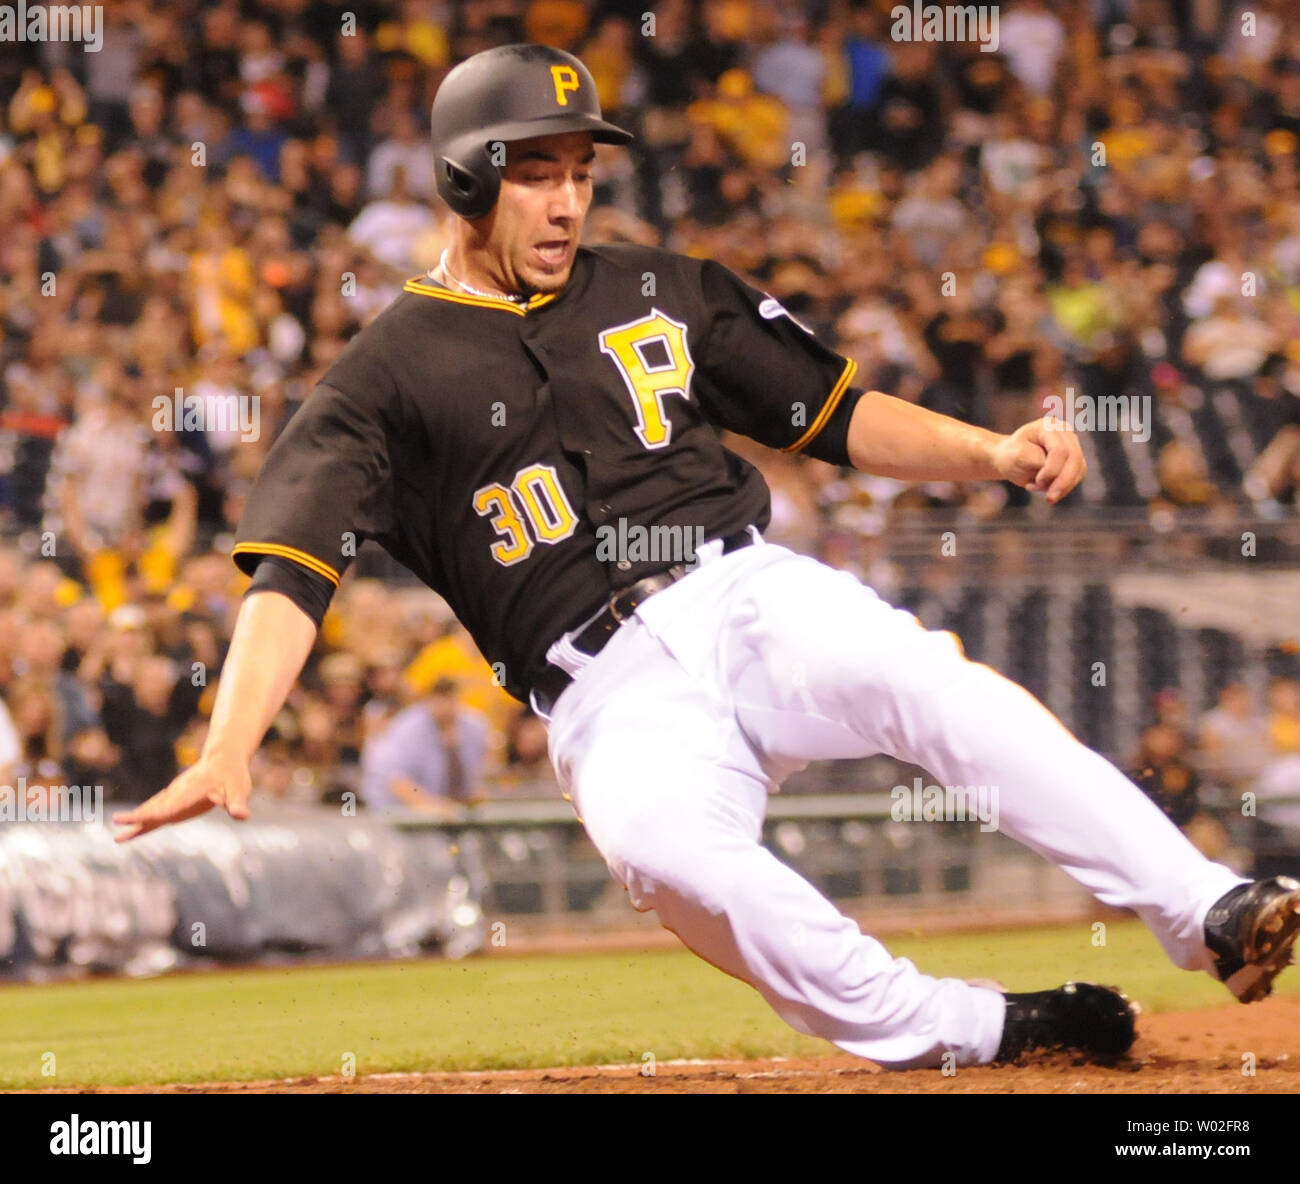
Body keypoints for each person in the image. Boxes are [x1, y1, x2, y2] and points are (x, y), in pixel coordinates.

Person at [115, 44, 1300, 1071]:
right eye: (538, 171)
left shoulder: (657, 285)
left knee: (928, 685)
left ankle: (1203, 905)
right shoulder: (381, 375)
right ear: (467, 175)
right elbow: (294, 571)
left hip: (741, 590)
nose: (569, 198)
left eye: (581, 170)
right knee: (673, 859)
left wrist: (989, 450)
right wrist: (231, 744)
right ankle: (979, 1027)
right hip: (600, 688)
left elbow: (833, 411)